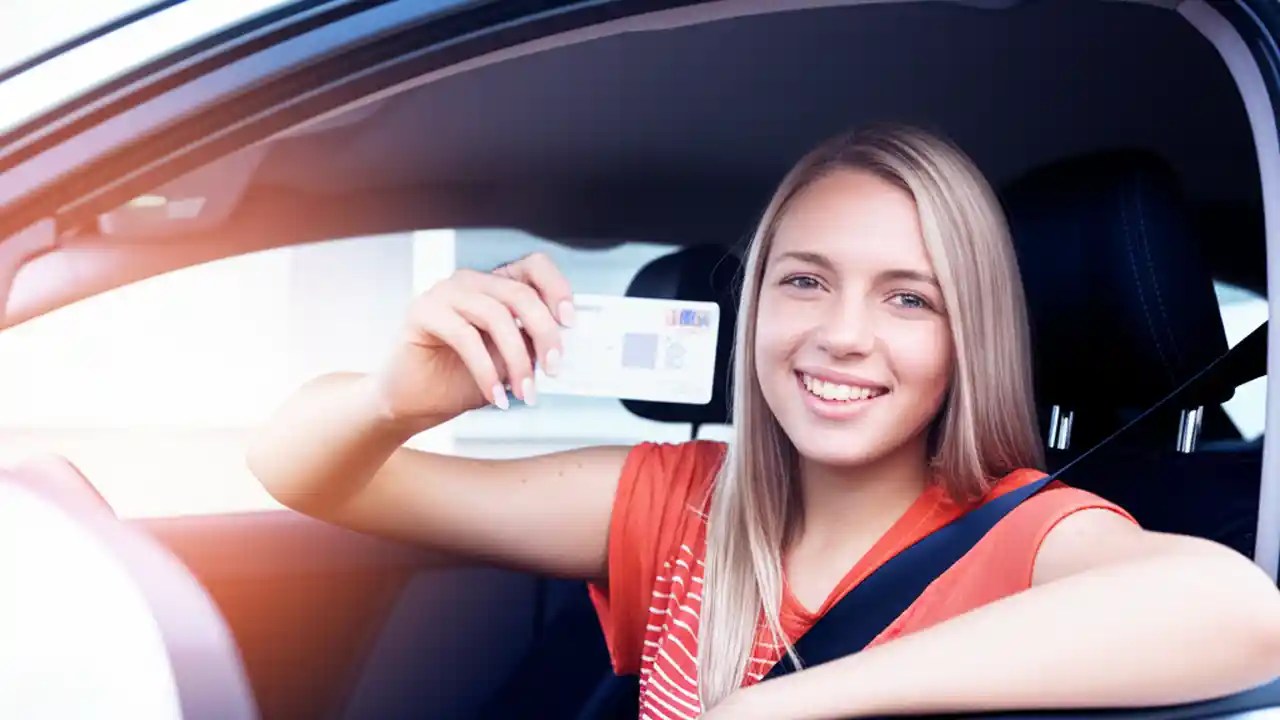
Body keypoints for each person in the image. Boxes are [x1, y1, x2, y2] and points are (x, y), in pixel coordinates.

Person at [247, 124, 1280, 719]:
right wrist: (391, 401)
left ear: (971, 338)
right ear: (750, 310)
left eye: (908, 299)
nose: (841, 335)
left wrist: (786, 703)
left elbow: (1240, 611)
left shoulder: (1019, 535)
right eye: (804, 282)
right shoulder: (673, 502)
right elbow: (296, 469)